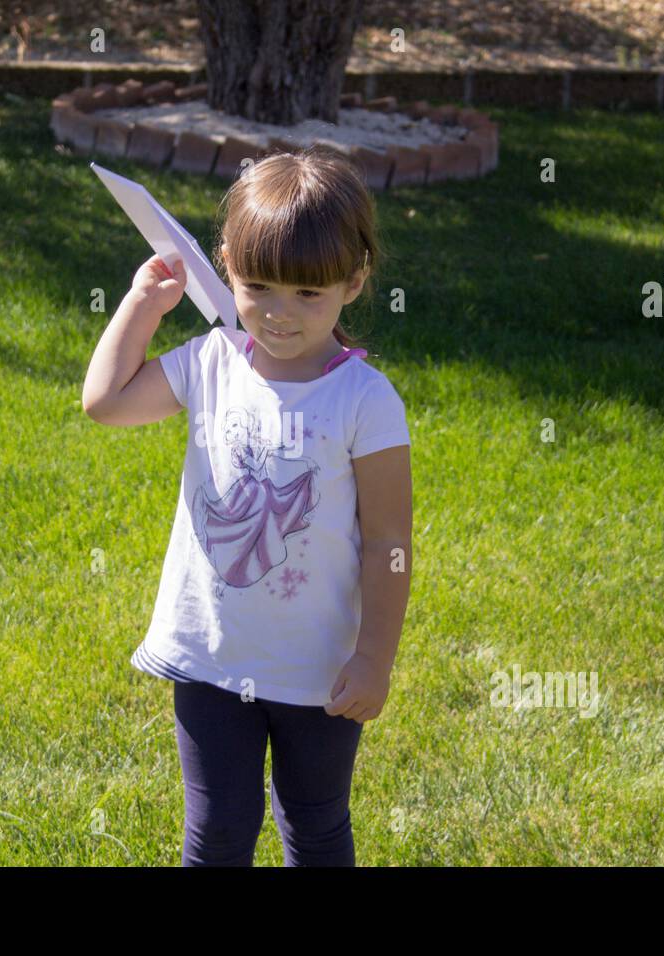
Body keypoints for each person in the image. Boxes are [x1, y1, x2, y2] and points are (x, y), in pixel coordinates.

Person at [81, 144, 413, 866]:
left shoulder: (365, 401)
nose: (279, 314)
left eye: (308, 294)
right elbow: (105, 403)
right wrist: (143, 304)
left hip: (319, 671)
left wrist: (374, 659)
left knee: (315, 825)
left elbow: (389, 539)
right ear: (225, 262)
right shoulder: (209, 363)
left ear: (355, 282)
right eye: (258, 285)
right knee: (218, 831)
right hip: (212, 658)